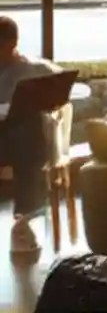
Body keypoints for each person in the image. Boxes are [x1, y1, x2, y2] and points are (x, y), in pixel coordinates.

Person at [0, 16, 58, 256]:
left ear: (13, 44)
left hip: (20, 140)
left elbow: (61, 88)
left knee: (29, 127)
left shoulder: (35, 69)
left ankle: (24, 218)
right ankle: (26, 217)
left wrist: (50, 102)